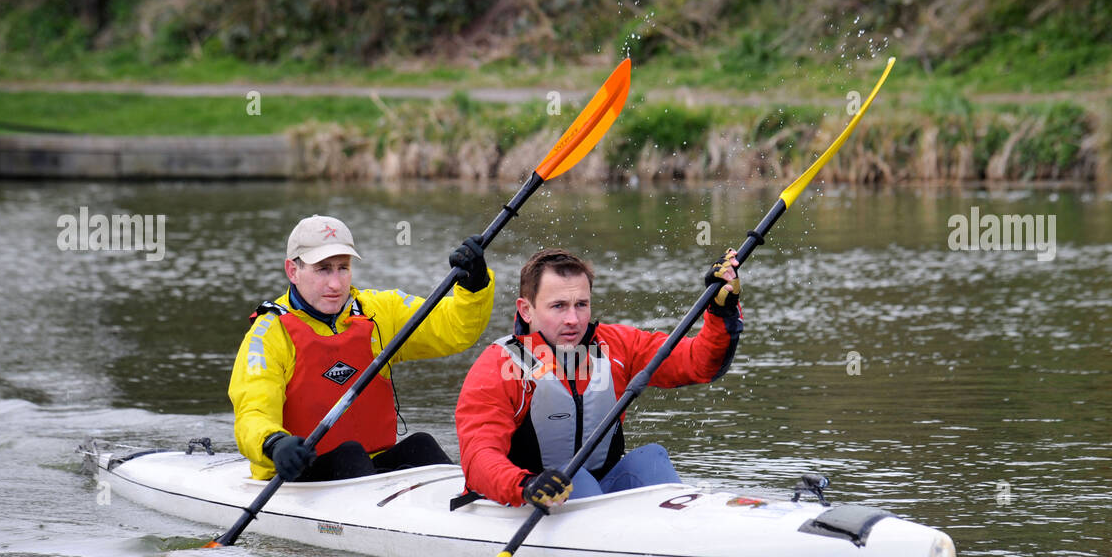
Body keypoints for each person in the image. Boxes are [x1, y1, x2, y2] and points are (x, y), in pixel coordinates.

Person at [455, 247, 741, 511]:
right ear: (526, 309)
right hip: (524, 499)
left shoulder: (616, 345)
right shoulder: (499, 365)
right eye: (559, 306)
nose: (573, 319)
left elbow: (699, 363)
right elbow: (479, 458)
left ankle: (686, 528)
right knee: (576, 478)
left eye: (581, 304)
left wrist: (720, 311)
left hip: (596, 491)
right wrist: (526, 484)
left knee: (651, 458)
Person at [230, 214, 494, 481]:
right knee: (349, 453)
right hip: (298, 473)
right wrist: (274, 444)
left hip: (369, 470)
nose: (335, 284)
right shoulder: (269, 335)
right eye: (323, 269)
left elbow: (456, 330)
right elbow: (252, 412)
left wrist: (475, 285)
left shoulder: (380, 311)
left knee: (421, 445)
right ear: (292, 271)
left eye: (342, 268)